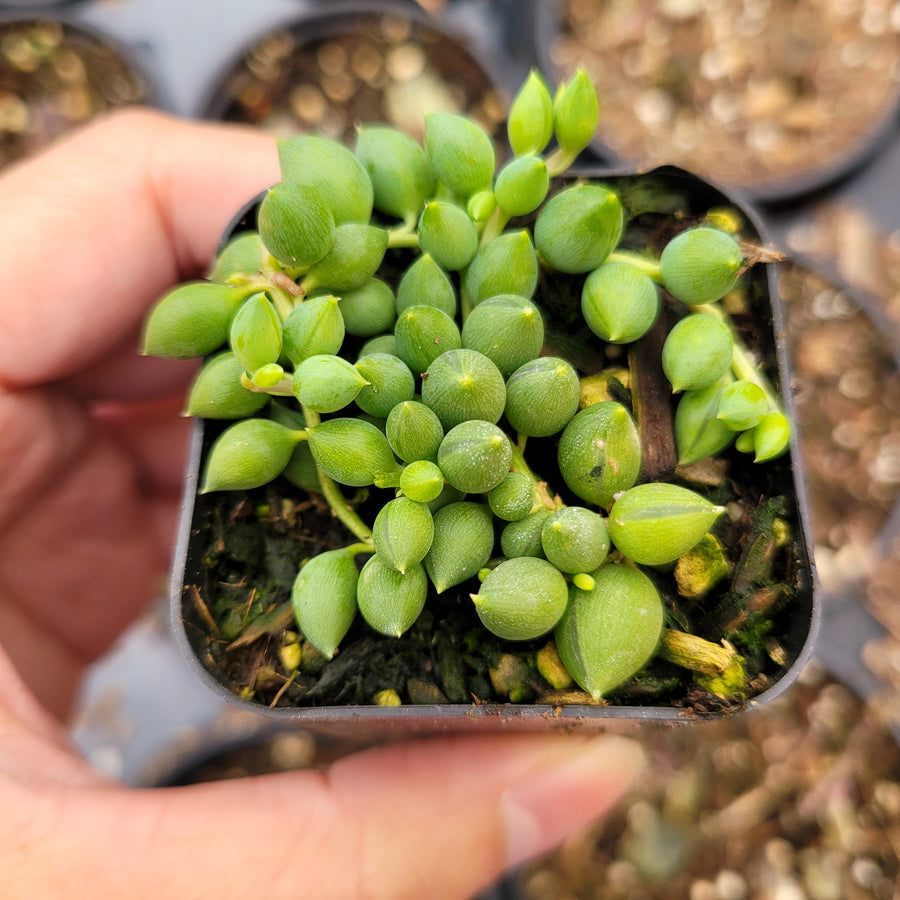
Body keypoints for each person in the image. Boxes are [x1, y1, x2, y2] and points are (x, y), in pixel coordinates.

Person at [0, 109, 644, 899]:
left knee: (469, 367)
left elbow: (452, 412)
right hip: (396, 443)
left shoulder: (461, 410)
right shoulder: (381, 420)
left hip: (432, 447)